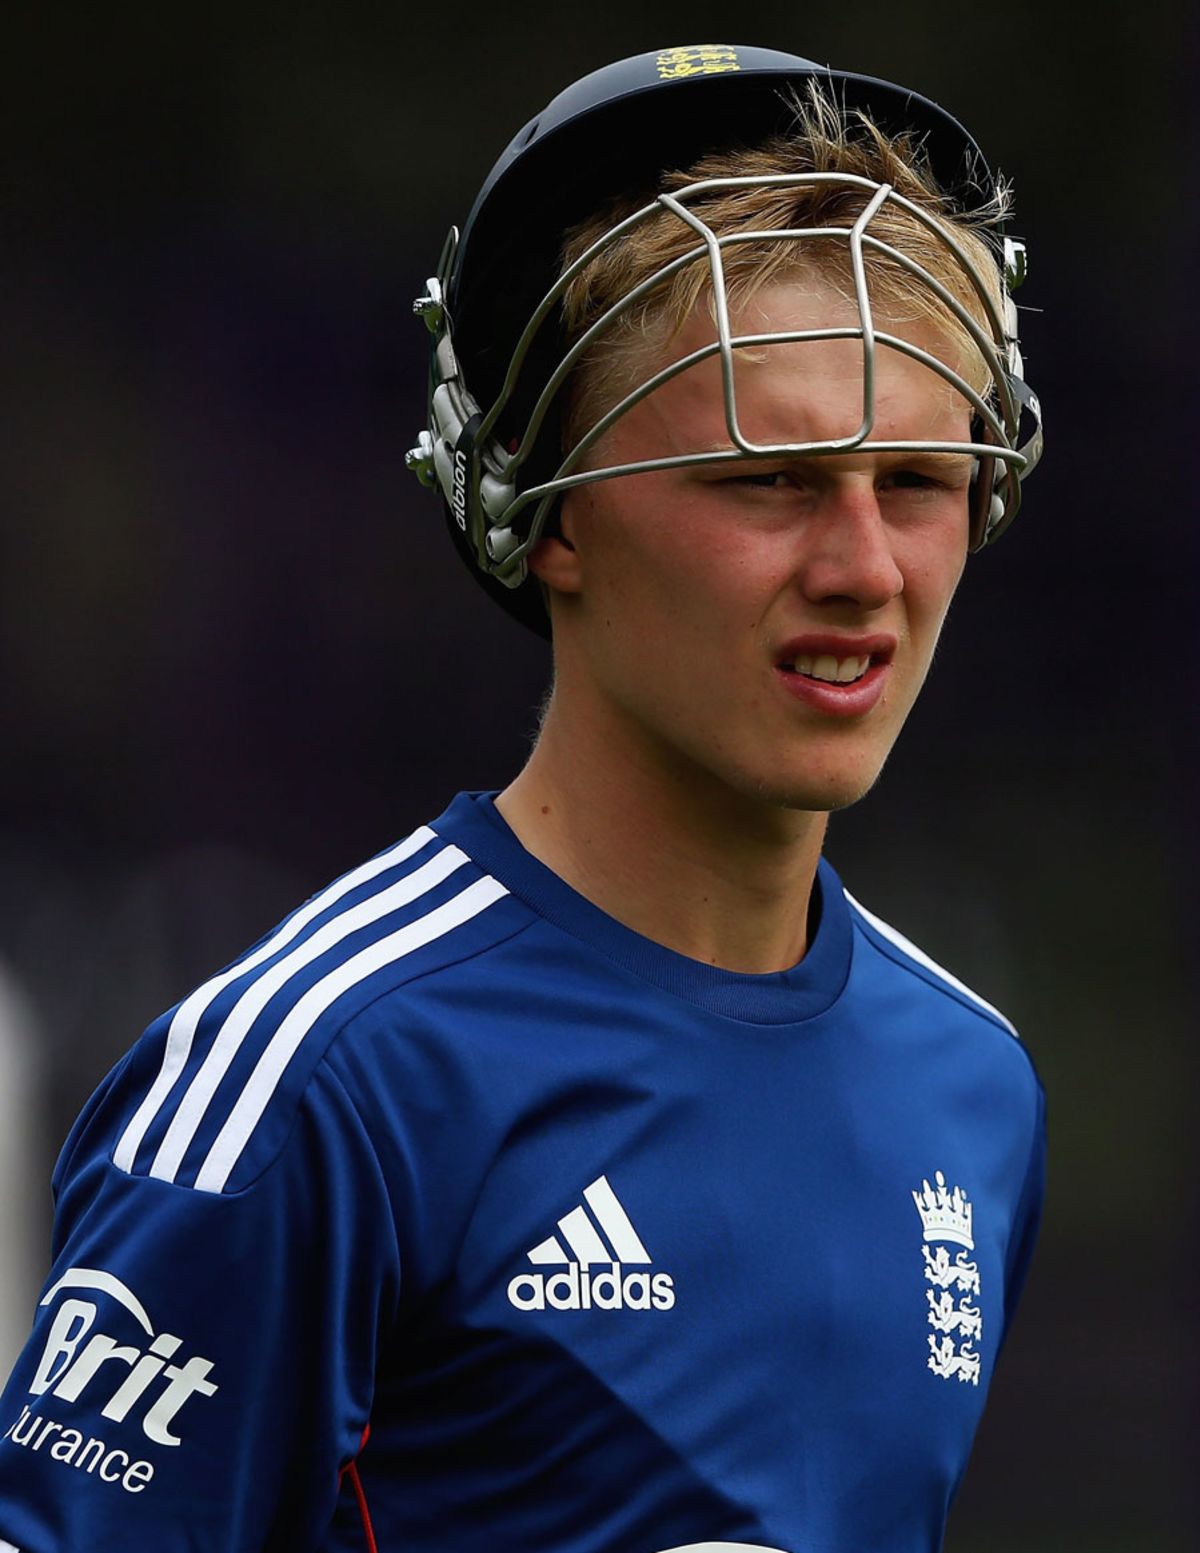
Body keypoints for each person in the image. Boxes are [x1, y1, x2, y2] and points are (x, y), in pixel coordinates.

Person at [0, 43, 1046, 1553]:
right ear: (548, 515)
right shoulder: (323, 1081)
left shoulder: (972, 1081)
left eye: (922, 482)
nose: (866, 570)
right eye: (768, 478)